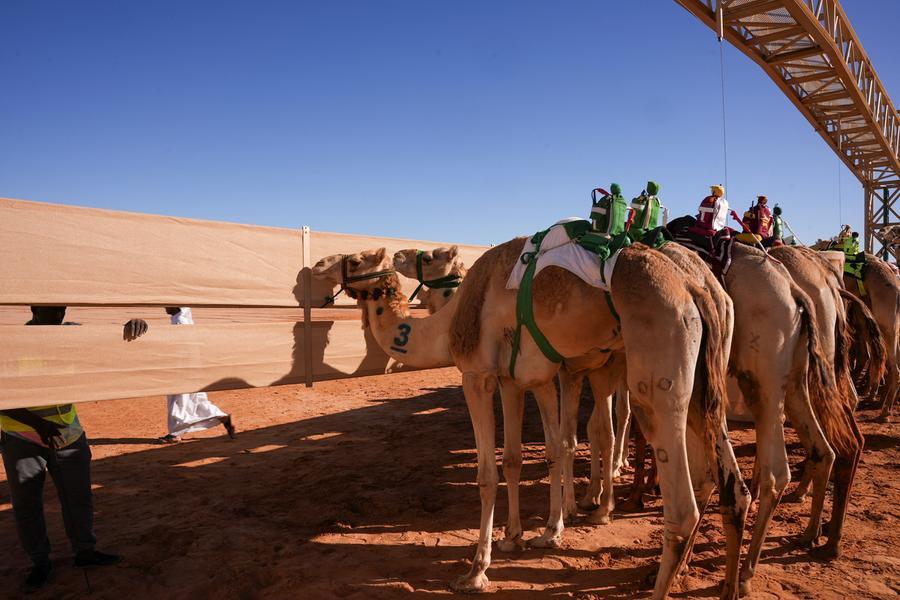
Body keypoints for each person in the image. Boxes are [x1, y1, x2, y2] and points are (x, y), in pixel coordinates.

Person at [0, 307, 149, 592]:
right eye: (50, 309)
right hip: (22, 435)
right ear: (33, 307)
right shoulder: (13, 340)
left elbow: (110, 341)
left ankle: (85, 551)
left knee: (78, 497)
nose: (57, 314)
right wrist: (38, 424)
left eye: (61, 308)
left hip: (68, 432)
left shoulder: (72, 333)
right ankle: (40, 561)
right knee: (27, 504)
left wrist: (132, 325)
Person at [159, 307, 235, 444]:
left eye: (167, 304)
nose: (165, 307)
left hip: (183, 368)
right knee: (197, 400)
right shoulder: (183, 320)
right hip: (191, 367)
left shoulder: (180, 321)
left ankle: (175, 434)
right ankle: (222, 417)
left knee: (178, 401)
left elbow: (182, 349)